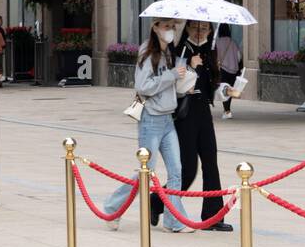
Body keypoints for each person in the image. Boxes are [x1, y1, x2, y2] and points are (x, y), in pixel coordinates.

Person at [103, 18, 194, 234]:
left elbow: (166, 86)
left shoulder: (169, 53)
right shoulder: (147, 51)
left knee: (176, 172)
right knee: (146, 172)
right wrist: (172, 76)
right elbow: (143, 86)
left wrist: (183, 84)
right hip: (151, 120)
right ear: (155, 27)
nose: (170, 31)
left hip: (167, 119)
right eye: (166, 26)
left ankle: (173, 221)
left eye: (173, 27)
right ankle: (112, 208)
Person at [171, 21, 231, 232]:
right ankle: (157, 202)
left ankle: (213, 217)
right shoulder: (179, 50)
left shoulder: (210, 51)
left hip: (203, 113)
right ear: (187, 28)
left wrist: (226, 90)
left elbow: (211, 86)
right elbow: (176, 85)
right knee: (188, 169)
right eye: (195, 27)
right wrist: (190, 65)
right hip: (185, 114)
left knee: (210, 163)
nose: (199, 32)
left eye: (204, 28)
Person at [214, 23, 243, 120]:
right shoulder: (233, 42)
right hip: (233, 70)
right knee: (229, 91)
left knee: (224, 90)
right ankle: (227, 110)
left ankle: (227, 111)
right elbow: (239, 57)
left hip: (223, 69)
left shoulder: (217, 43)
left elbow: (214, 57)